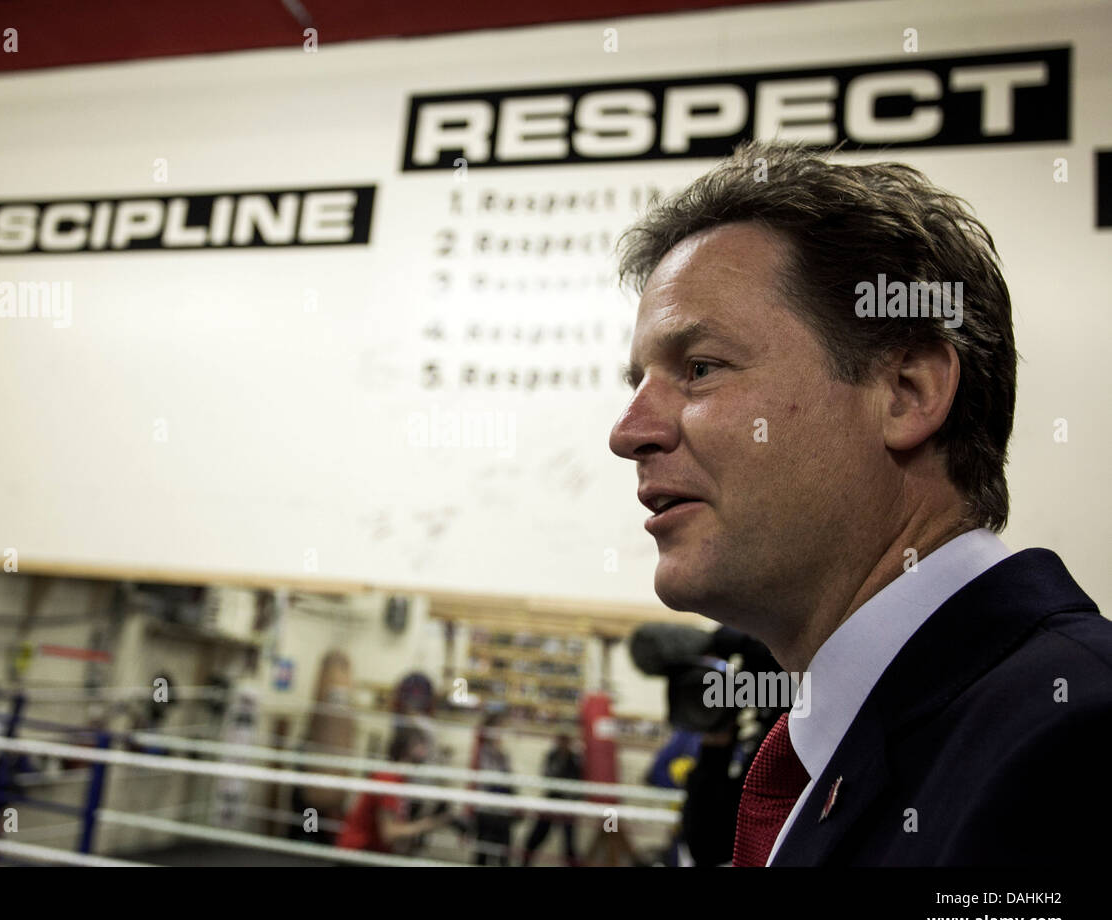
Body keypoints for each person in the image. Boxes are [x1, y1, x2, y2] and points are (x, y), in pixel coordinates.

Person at [608, 141, 1112, 866]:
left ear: (907, 392)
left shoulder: (1079, 741)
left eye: (700, 368)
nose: (631, 432)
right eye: (636, 381)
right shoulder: (835, 746)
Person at [335, 726, 453, 856]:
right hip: (358, 853)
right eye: (422, 744)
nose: (426, 751)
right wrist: (429, 824)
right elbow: (389, 833)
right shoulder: (388, 779)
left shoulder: (400, 780)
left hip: (372, 852)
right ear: (409, 747)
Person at [522, 733, 581, 866]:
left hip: (567, 803)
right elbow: (547, 775)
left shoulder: (575, 759)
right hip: (552, 800)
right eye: (561, 740)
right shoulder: (552, 756)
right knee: (537, 836)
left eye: (566, 741)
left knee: (569, 842)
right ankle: (524, 862)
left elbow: (577, 780)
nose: (563, 744)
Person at [469, 711, 516, 865]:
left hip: (502, 811)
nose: (501, 733)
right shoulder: (483, 752)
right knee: (483, 854)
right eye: (499, 728)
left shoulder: (504, 754)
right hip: (487, 810)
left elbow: (508, 782)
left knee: (503, 855)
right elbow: (489, 781)